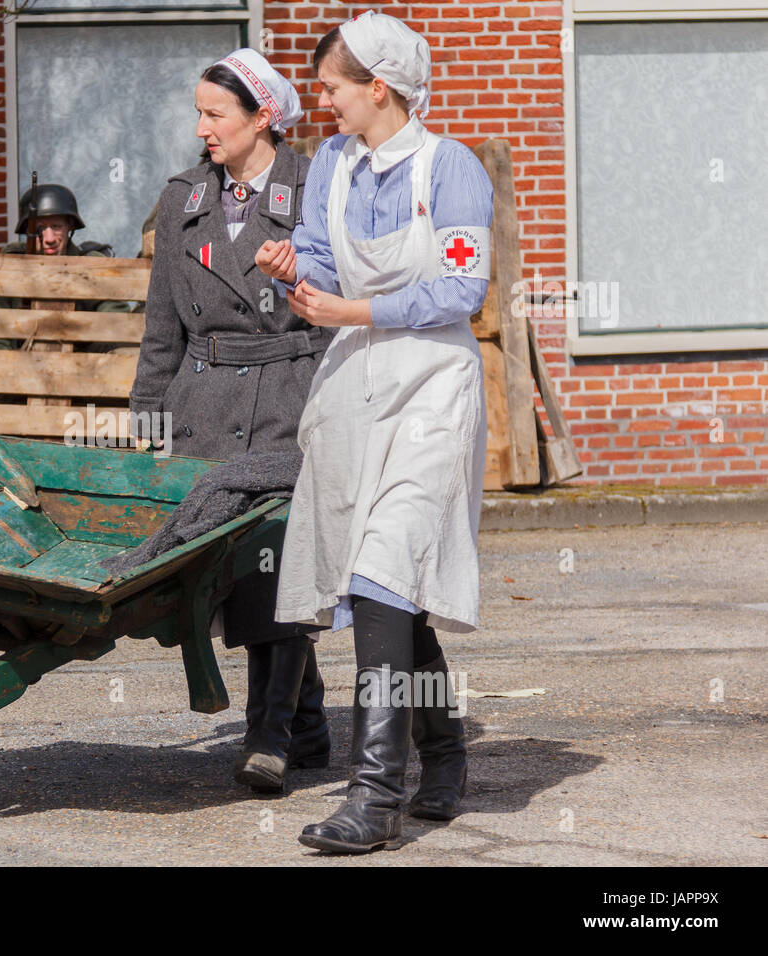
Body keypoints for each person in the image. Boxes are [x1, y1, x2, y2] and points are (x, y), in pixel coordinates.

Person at [256, 11, 493, 852]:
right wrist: (296, 269)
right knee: (381, 580)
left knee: (386, 563)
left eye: (332, 88)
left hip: (433, 384)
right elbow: (320, 254)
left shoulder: (452, 168)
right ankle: (446, 752)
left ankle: (375, 794)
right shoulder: (331, 163)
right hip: (356, 382)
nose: (321, 105)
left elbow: (462, 292)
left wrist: (352, 307)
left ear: (378, 88)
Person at [130, 48, 335, 793]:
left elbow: (348, 300)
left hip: (293, 395)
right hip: (205, 404)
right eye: (199, 114)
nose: (202, 128)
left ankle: (268, 735)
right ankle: (307, 720)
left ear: (262, 118)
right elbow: (161, 333)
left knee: (275, 557)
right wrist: (149, 430)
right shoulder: (182, 198)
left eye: (216, 114)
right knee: (226, 563)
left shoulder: (318, 188)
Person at [0, 184, 132, 351]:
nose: (49, 238)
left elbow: (116, 324)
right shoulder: (10, 269)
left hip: (85, 367)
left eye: (56, 227)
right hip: (22, 367)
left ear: (69, 227)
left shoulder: (91, 265)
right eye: (40, 229)